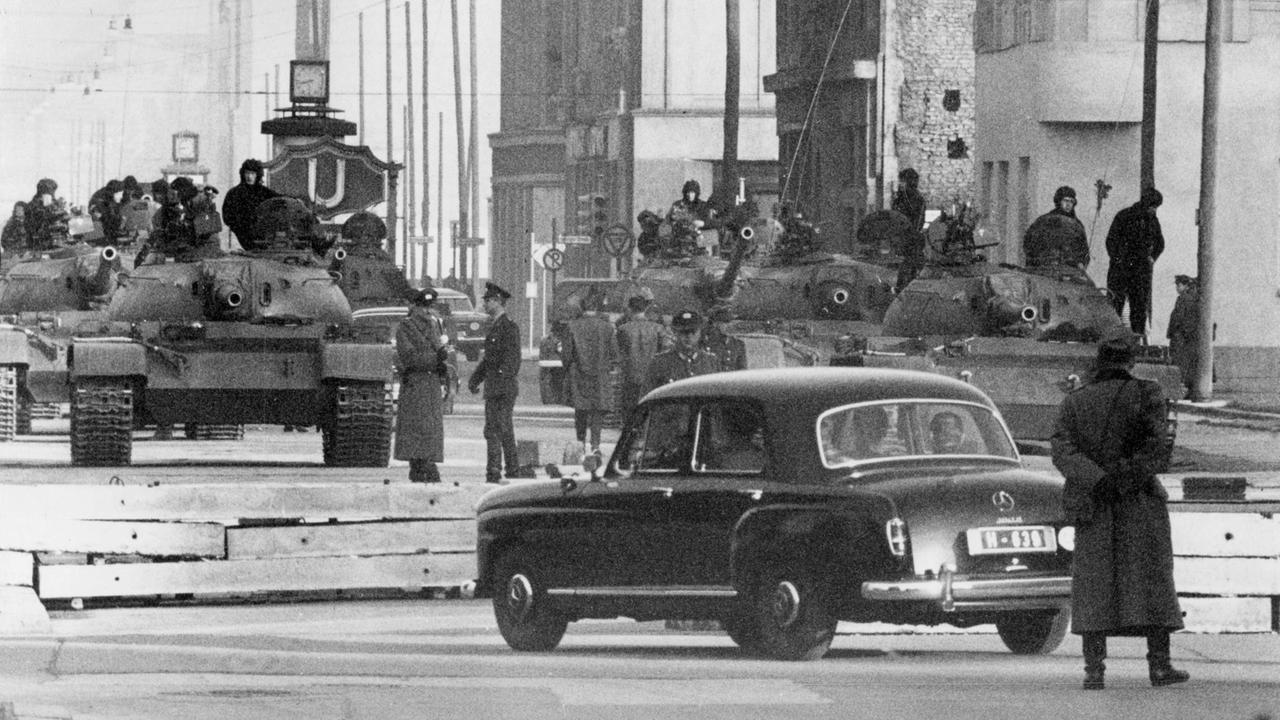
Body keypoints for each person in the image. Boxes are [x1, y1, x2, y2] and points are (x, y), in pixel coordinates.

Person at [1050, 333, 1187, 691]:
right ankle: (1159, 666)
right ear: (1130, 362)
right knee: (1152, 580)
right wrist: (1123, 478)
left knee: (1094, 585)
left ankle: (1094, 671)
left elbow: (1063, 451)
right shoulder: (1148, 393)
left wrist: (1098, 480)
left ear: (1099, 361)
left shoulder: (1075, 402)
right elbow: (1157, 446)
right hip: (1137, 500)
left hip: (1093, 503)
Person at [469, 282, 531, 483]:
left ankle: (494, 471)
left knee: (495, 429)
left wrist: (501, 380)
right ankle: (511, 469)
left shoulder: (508, 327)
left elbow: (513, 359)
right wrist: (475, 379)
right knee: (502, 428)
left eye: (487, 300)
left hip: (502, 387)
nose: (485, 304)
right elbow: (489, 360)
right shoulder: (494, 326)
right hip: (496, 386)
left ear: (497, 301)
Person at [394, 287, 450, 483]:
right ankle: (419, 466)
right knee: (416, 428)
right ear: (414, 307)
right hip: (416, 385)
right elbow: (409, 357)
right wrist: (436, 359)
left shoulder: (434, 326)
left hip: (431, 384)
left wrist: (442, 362)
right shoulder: (406, 327)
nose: (427, 311)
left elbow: (440, 348)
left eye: (430, 307)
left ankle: (428, 462)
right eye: (423, 307)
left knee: (431, 428)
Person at [562, 300, 620, 458]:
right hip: (600, 374)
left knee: (580, 412)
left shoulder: (572, 326)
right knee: (597, 413)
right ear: (597, 308)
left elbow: (566, 355)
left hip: (578, 374)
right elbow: (615, 354)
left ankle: (580, 444)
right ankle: (595, 446)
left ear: (582, 308)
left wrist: (568, 368)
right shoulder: (607, 327)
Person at [1106, 187, 1165, 334]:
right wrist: (1118, 259)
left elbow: (1160, 243)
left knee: (1139, 307)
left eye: (1156, 208)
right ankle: (1112, 338)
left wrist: (1152, 258)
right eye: (1153, 207)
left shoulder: (1153, 221)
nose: (1154, 210)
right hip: (1120, 269)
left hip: (1140, 270)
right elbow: (1110, 241)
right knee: (1115, 304)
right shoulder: (1124, 216)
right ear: (1146, 204)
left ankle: (1137, 340)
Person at [616, 290, 672, 418]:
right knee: (649, 408)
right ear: (645, 309)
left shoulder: (623, 329)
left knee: (630, 409)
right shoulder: (658, 328)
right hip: (652, 373)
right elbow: (665, 350)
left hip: (630, 375)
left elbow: (619, 353)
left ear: (630, 309)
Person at [645, 310, 720, 392]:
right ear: (675, 333)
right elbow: (647, 399)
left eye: (693, 332)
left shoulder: (711, 362)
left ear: (700, 333)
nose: (689, 336)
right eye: (684, 332)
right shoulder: (660, 363)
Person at [1025, 185, 1090, 269]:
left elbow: (1083, 250)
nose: (1068, 204)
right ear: (1059, 201)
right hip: (1045, 269)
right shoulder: (1043, 221)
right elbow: (1029, 244)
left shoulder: (1077, 225)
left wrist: (1082, 262)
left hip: (1069, 271)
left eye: (1071, 201)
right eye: (1065, 200)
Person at [221, 158, 279, 249]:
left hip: (264, 235)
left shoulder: (264, 191)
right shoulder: (233, 193)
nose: (249, 176)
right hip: (242, 234)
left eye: (252, 173)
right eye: (247, 173)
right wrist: (238, 227)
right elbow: (227, 216)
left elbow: (279, 198)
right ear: (243, 174)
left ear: (257, 175)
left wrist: (296, 200)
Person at [1166, 274, 1200, 395]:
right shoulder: (1194, 297)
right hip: (1188, 337)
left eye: (1178, 285)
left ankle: (1176, 390)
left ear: (1185, 286)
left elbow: (1177, 318)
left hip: (1179, 336)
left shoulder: (1183, 298)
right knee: (1188, 364)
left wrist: (1172, 332)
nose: (1177, 287)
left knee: (1178, 362)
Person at [25, 178, 69, 250]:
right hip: (39, 242)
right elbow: (34, 223)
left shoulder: (55, 203)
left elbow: (63, 217)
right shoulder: (33, 205)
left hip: (58, 239)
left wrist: (64, 213)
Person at [701, 305, 747, 373]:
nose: (730, 325)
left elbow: (742, 370)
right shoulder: (706, 344)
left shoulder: (738, 345)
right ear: (715, 324)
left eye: (731, 322)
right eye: (725, 322)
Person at [89, 179, 127, 245]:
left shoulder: (111, 200)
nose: (121, 197)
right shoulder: (99, 202)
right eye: (119, 194)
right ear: (112, 193)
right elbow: (104, 220)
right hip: (99, 237)